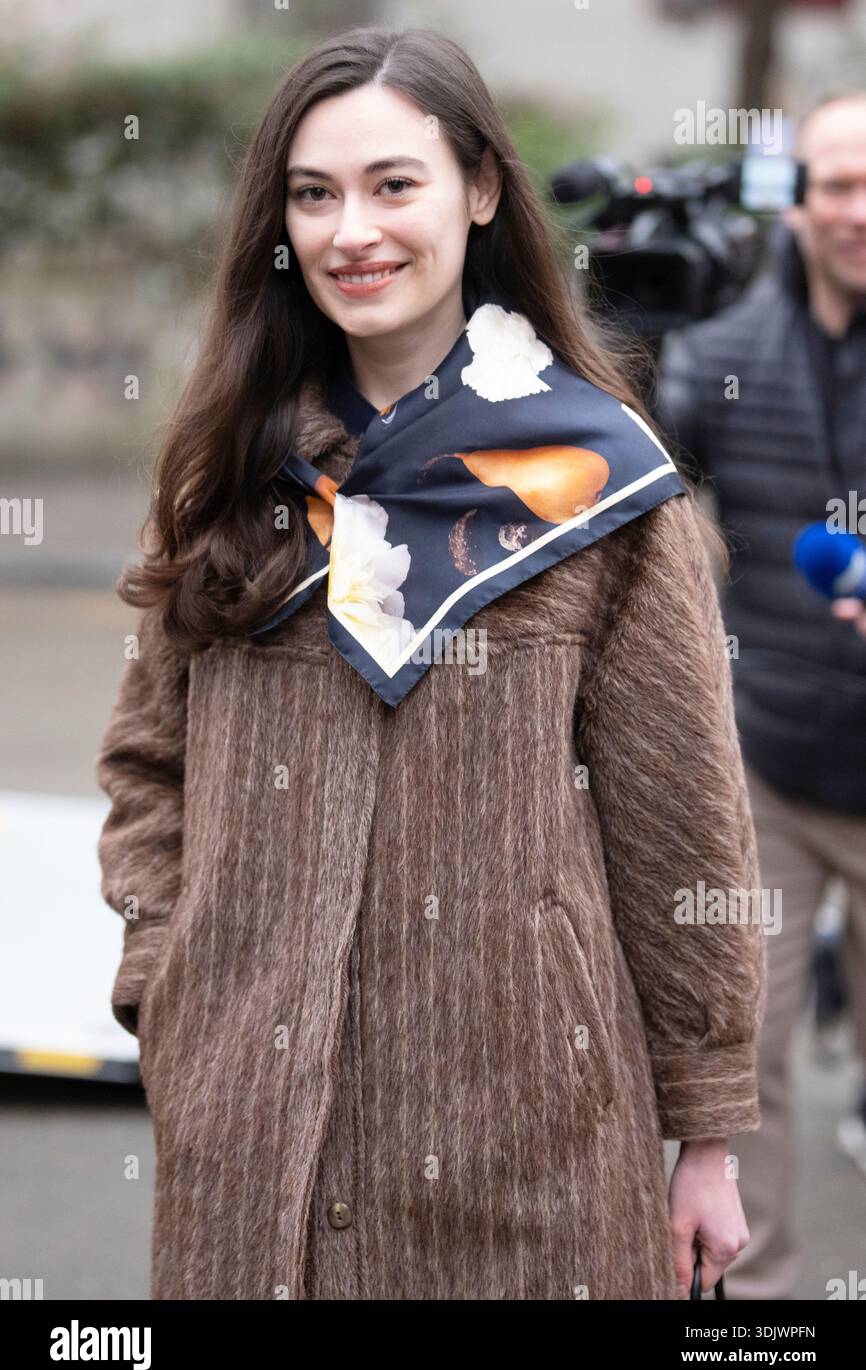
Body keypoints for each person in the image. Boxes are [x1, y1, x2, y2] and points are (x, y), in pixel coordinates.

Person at [95, 24, 767, 1301]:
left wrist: (708, 1130)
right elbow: (146, 764)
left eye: (393, 183)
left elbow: (684, 829)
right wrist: (171, 988)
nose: (353, 229)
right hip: (249, 1130)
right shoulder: (228, 473)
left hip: (525, 1137)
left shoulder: (601, 485)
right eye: (313, 193)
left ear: (479, 189)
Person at [656, 91, 866, 1300]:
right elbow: (629, 500)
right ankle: (763, 1308)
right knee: (744, 1064)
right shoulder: (718, 354)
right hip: (763, 768)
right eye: (836, 183)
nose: (857, 211)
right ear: (793, 201)